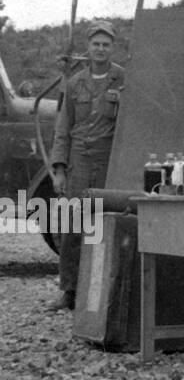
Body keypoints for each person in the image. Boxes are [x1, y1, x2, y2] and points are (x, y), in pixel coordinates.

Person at [48, 21, 125, 311]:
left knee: (108, 224)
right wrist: (59, 169)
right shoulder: (75, 82)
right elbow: (63, 128)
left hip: (109, 160)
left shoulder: (123, 80)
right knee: (73, 226)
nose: (101, 49)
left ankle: (106, 293)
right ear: (88, 47)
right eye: (96, 44)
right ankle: (69, 290)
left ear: (112, 48)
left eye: (106, 45)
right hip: (79, 159)